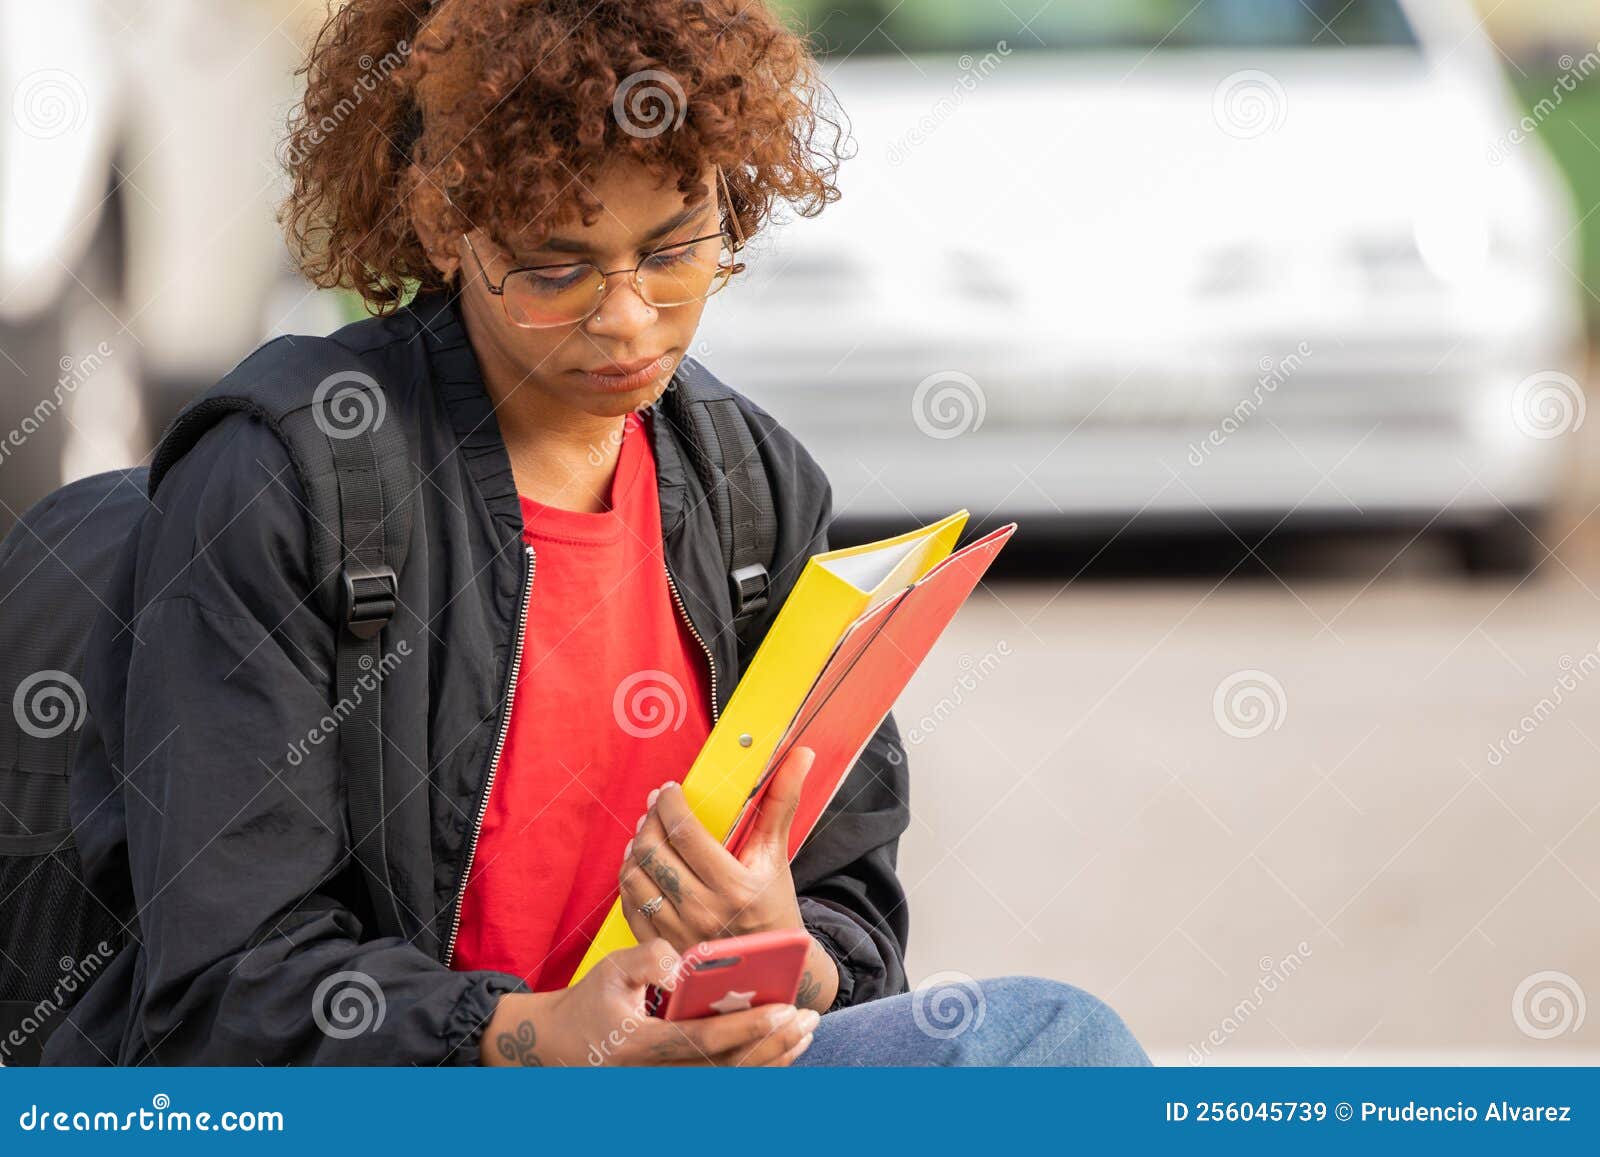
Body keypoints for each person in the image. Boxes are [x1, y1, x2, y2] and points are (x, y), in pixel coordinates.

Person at [42, 0, 1147, 1068]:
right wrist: (533, 1036)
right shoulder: (287, 480)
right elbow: (225, 989)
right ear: (445, 223)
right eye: (556, 269)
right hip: (437, 1098)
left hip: (696, 1085)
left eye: (673, 253)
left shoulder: (752, 488)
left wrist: (784, 949)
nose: (625, 319)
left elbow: (851, 913)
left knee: (1055, 1044)